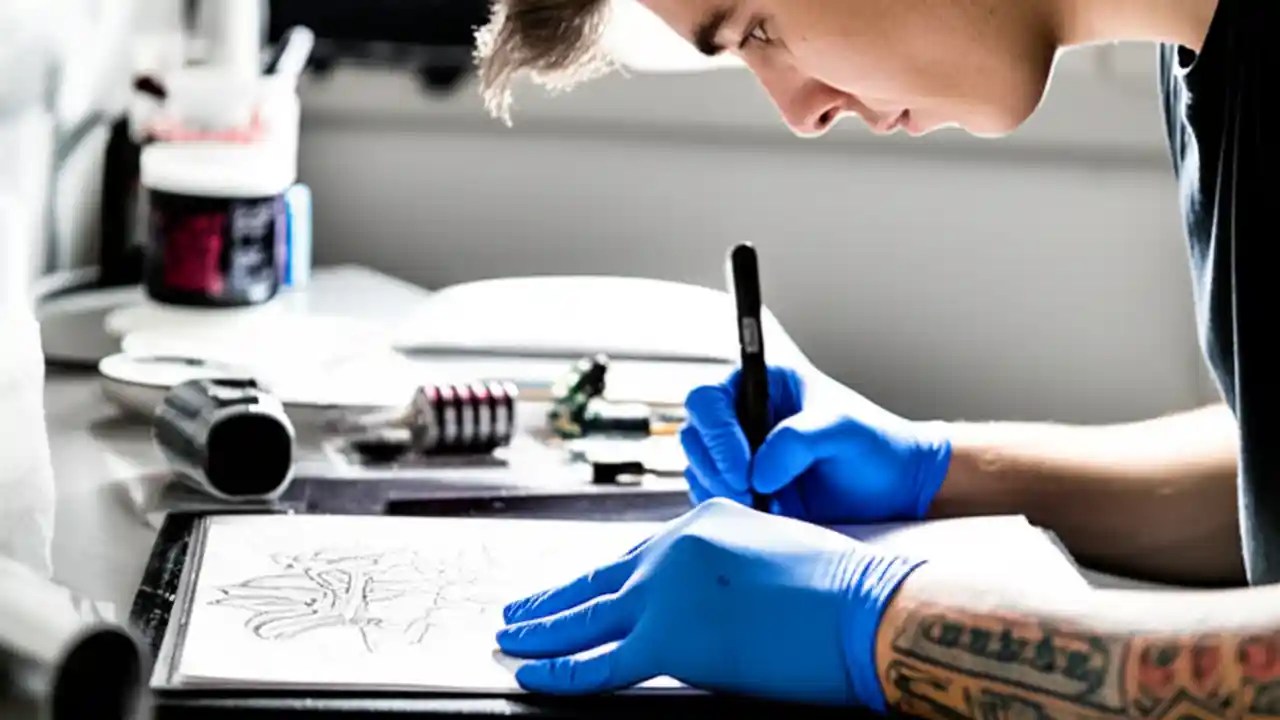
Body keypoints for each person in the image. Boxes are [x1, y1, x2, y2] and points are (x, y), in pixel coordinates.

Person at [477, 0, 1279, 714]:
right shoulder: (1203, 58)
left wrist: (884, 623)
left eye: (758, 28)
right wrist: (942, 471)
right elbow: (1262, 481)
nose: (797, 111)